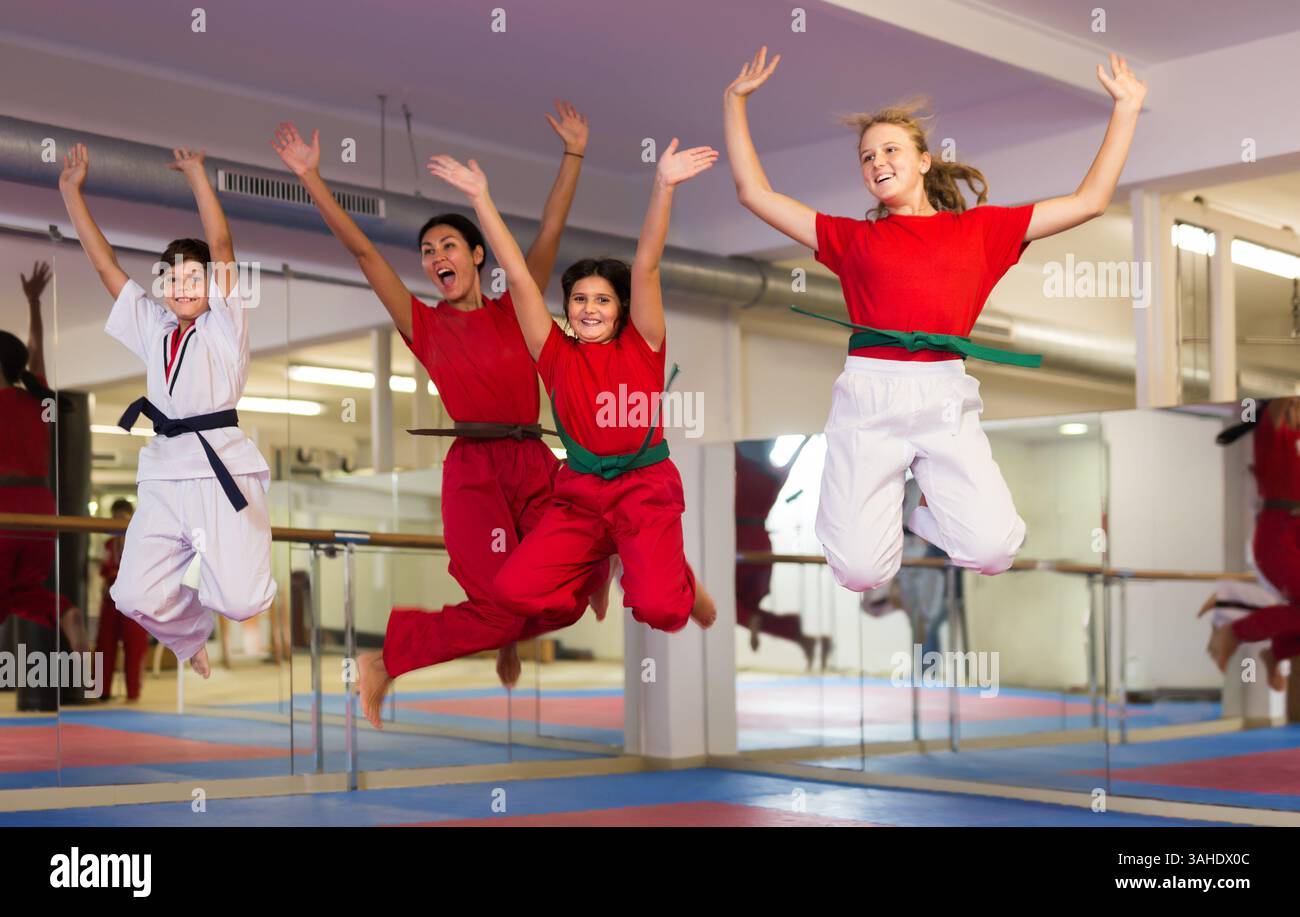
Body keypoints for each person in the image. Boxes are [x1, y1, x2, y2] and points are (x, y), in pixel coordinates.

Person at [723, 46, 1144, 593]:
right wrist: (734, 102)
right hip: (870, 394)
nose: (877, 163)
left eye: (890, 150)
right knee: (859, 573)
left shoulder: (981, 232)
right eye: (867, 157)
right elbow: (754, 192)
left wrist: (1126, 109)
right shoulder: (850, 238)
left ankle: (923, 515)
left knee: (993, 551)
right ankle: (886, 516)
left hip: (944, 392)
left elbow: (1090, 201)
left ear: (924, 160)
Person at [270, 105, 610, 728]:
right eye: (427, 252)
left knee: (560, 605)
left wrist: (574, 155)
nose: (435, 258)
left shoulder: (515, 309)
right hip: (476, 471)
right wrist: (313, 178)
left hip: (534, 459)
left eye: (448, 246)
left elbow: (551, 233)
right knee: (505, 602)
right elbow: (365, 253)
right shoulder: (425, 325)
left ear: (479, 254)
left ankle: (559, 593)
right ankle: (389, 659)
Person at [424, 140, 719, 641]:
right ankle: (601, 559)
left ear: (621, 309)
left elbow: (646, 263)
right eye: (579, 298)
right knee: (514, 591)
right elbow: (517, 276)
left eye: (602, 300)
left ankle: (674, 580)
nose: (588, 308)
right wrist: (480, 198)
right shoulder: (555, 353)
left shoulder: (643, 342)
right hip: (581, 494)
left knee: (662, 612)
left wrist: (663, 185)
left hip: (643, 490)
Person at [59, 144, 276, 677]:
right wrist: (70, 193)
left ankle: (203, 619)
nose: (181, 287)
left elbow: (221, 245)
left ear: (211, 287)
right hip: (163, 472)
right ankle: (188, 637)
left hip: (220, 468)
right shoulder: (154, 330)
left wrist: (199, 175)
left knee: (245, 602)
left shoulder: (225, 325)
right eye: (172, 280)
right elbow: (106, 265)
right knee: (130, 593)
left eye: (193, 279)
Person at [0, 261, 89, 652]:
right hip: (41, 510)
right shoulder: (39, 402)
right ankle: (64, 611)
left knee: (10, 595)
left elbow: (33, 357)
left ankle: (63, 612)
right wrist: (34, 304)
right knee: (20, 592)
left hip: (5, 508)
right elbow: (37, 358)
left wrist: (34, 302)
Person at [1206, 397, 1300, 690]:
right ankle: (1236, 634)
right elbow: (1279, 400)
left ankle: (1275, 652)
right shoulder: (1271, 434)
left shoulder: (1292, 438)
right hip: (1277, 535)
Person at [93, 499, 150, 701]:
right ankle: (102, 692)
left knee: (134, 647)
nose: (118, 522)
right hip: (111, 600)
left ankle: (133, 693)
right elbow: (102, 569)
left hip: (134, 600)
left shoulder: (142, 541)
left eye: (122, 518)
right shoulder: (108, 544)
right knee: (104, 646)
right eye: (115, 518)